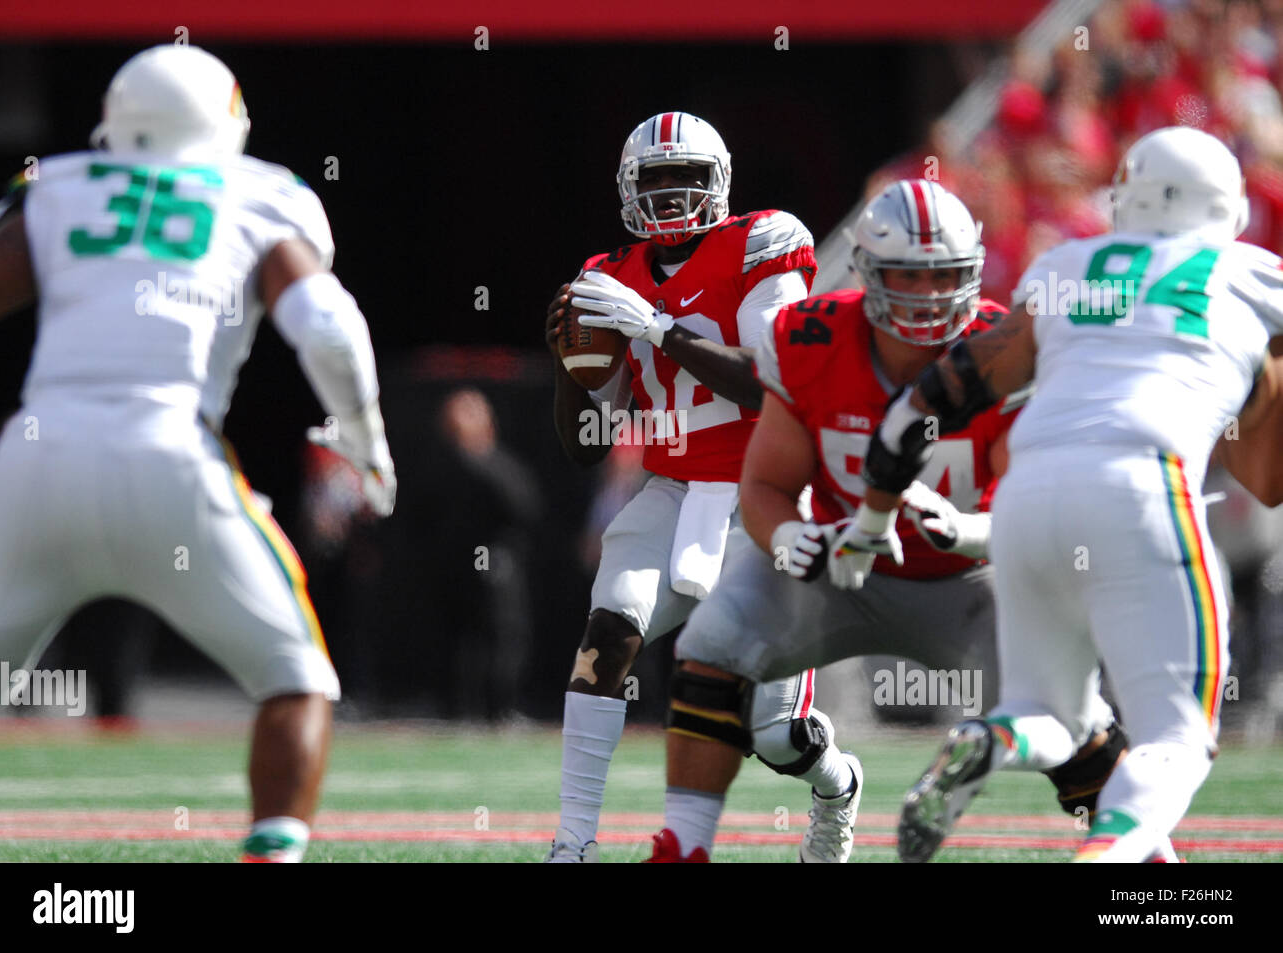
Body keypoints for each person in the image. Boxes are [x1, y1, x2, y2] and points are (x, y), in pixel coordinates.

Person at [0, 45, 396, 862]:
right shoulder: (263, 195)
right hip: (172, 456)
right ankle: (273, 852)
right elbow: (327, 326)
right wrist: (367, 438)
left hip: (40, 460)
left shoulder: (56, 187)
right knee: (297, 676)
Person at [648, 179, 1131, 862]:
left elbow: (1039, 517)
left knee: (1074, 722)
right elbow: (764, 485)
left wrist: (961, 528)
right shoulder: (811, 338)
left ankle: (1141, 857)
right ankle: (684, 846)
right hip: (844, 565)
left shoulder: (999, 349)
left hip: (977, 579)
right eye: (910, 273)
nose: (929, 293)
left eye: (945, 275)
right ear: (871, 271)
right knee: (713, 639)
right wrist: (788, 537)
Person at [859, 127, 1278, 863]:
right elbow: (1270, 478)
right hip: (1145, 485)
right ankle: (1105, 857)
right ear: (1226, 206)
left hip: (1028, 495)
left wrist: (874, 509)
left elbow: (939, 394)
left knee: (1048, 711)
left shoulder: (1069, 263)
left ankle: (991, 737)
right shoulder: (1253, 274)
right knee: (1177, 738)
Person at [543, 112, 838, 861]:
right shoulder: (606, 275)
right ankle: (571, 841)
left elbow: (772, 380)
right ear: (627, 189)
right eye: (656, 179)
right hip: (672, 490)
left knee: (778, 736)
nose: (671, 195)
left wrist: (658, 327)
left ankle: (836, 787)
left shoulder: (762, 243)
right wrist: (569, 366)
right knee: (606, 634)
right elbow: (586, 447)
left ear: (721, 182)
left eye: (687, 178)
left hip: (761, 494)